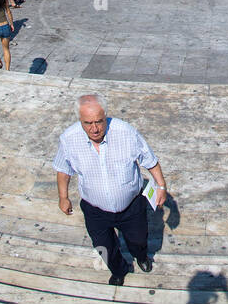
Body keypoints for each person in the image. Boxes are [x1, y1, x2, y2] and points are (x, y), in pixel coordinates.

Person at [53, 93, 168, 286]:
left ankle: (141, 257)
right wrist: (63, 197)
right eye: (87, 123)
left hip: (131, 207)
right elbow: (63, 171)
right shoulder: (69, 139)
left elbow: (150, 160)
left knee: (139, 240)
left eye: (99, 121)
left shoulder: (126, 132)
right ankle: (118, 270)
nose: (95, 129)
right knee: (103, 247)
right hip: (95, 210)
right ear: (79, 120)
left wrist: (161, 186)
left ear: (106, 116)